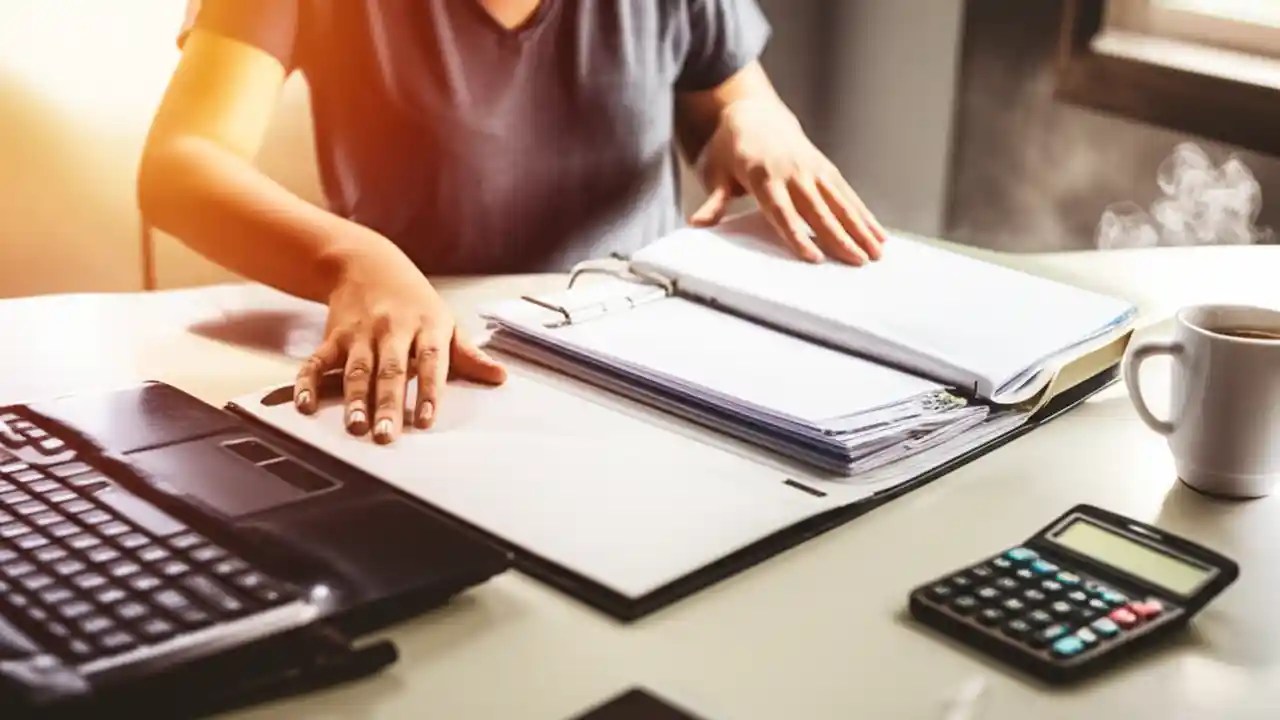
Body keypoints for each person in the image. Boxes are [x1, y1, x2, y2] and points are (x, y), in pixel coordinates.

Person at [140, 0, 888, 445]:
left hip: (649, 371)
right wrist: (347, 259)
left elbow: (731, 100)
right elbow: (180, 166)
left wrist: (757, 120)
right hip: (434, 367)